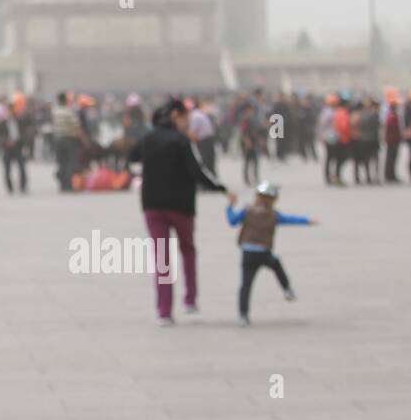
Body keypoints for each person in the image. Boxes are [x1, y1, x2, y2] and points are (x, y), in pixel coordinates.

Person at [129, 99, 236, 325]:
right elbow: (197, 172)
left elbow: (133, 156)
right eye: (186, 117)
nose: (188, 122)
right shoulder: (180, 140)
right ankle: (189, 299)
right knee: (187, 250)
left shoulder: (149, 137)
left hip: (153, 205)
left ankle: (164, 312)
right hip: (181, 206)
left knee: (162, 259)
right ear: (177, 115)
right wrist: (220, 188)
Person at [225, 181, 316, 326]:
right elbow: (290, 220)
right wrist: (307, 220)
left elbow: (232, 221)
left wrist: (229, 206)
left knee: (245, 285)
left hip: (248, 253)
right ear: (273, 200)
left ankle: (243, 315)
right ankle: (287, 289)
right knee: (276, 265)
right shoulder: (273, 215)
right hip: (264, 253)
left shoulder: (246, 211)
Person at [0, 94, 28, 194]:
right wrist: (6, 141)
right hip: (7, 148)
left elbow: (24, 132)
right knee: (7, 169)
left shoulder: (20, 120)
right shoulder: (3, 122)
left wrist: (23, 143)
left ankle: (23, 187)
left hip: (18, 146)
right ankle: (10, 188)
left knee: (22, 167)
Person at [187, 98, 217, 178]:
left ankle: (207, 179)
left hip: (203, 141)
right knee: (210, 159)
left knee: (204, 160)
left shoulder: (194, 116)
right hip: (209, 139)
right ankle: (213, 177)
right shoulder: (200, 114)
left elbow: (193, 132)